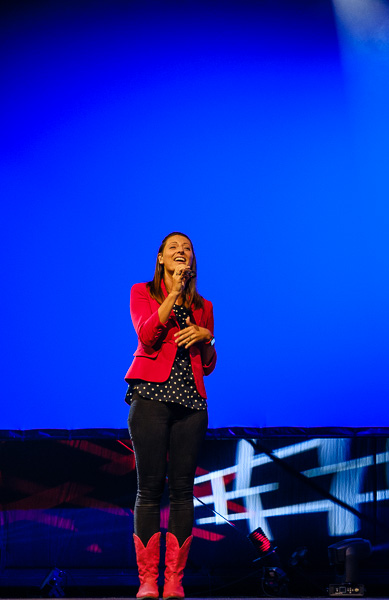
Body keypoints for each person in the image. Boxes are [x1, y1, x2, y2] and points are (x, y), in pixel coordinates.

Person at [124, 232, 216, 599]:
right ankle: (148, 581)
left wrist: (206, 336)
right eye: (174, 248)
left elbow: (208, 366)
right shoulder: (142, 292)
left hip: (191, 402)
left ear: (193, 261)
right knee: (149, 489)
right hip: (150, 397)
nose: (182, 252)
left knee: (182, 492)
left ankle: (174, 581)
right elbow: (147, 336)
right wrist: (174, 294)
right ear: (161, 258)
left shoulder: (204, 305)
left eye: (188, 248)